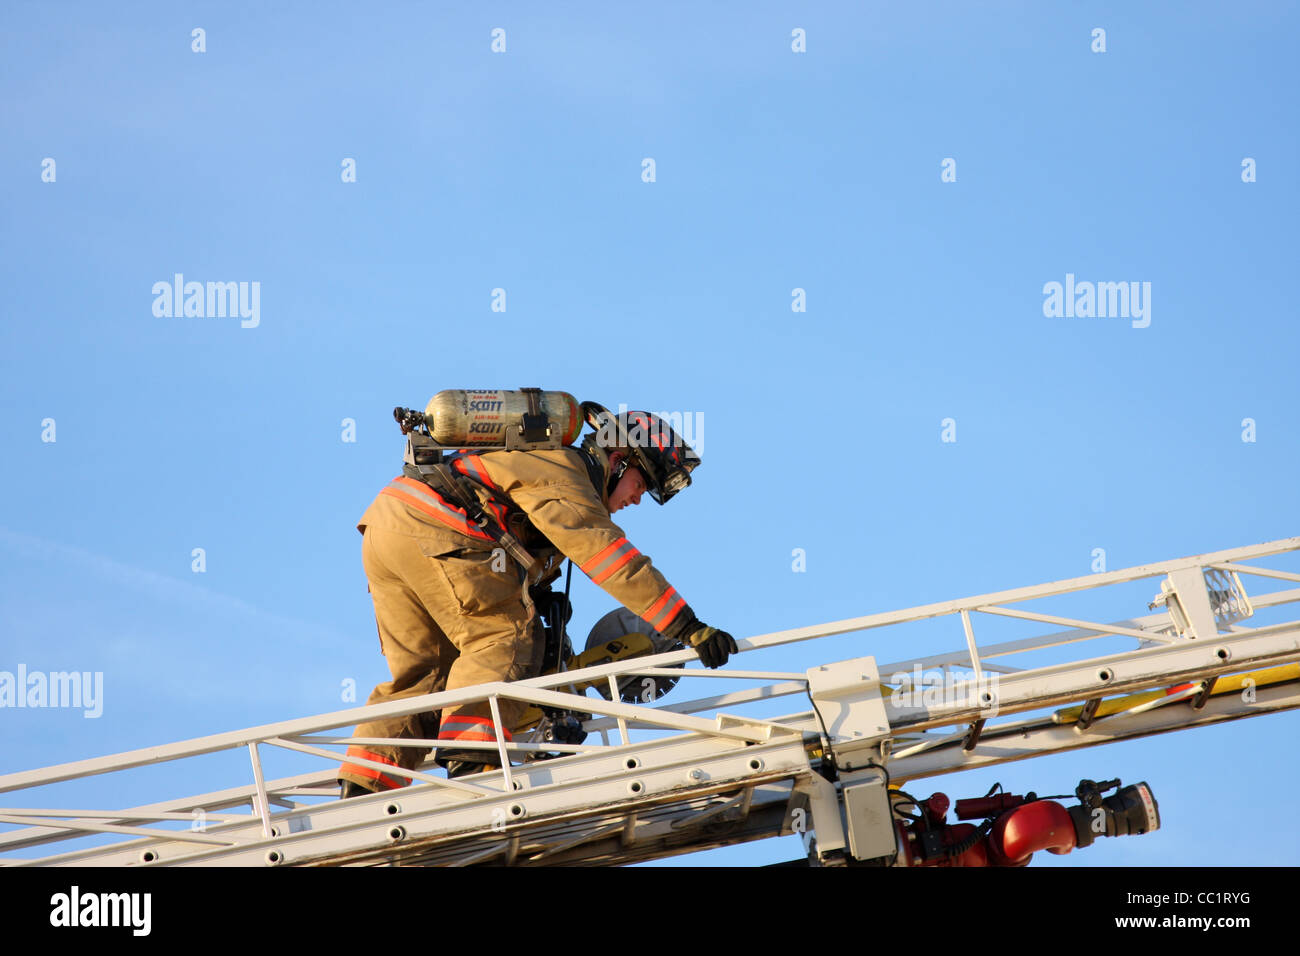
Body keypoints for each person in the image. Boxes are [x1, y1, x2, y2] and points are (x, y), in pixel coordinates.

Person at [338, 408, 737, 796]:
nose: (636, 500)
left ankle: (364, 783)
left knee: (424, 676)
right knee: (501, 636)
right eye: (641, 484)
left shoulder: (540, 463)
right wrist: (689, 628)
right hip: (442, 530)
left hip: (389, 526)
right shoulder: (566, 473)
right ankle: (475, 759)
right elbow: (610, 559)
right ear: (618, 460)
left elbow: (513, 533)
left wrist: (537, 592)